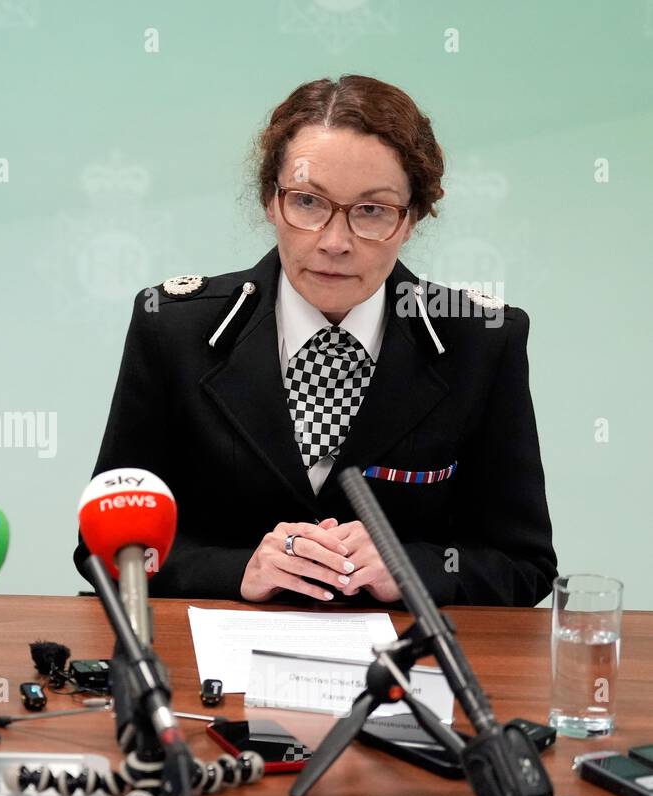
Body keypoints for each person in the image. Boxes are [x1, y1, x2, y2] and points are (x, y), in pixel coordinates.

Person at [75, 75, 555, 607]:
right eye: (307, 202)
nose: (334, 242)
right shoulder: (172, 328)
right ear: (269, 202)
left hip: (403, 667)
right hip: (209, 673)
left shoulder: (481, 341)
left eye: (372, 211)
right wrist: (237, 570)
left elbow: (524, 565)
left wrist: (413, 566)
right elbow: (107, 549)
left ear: (412, 219)